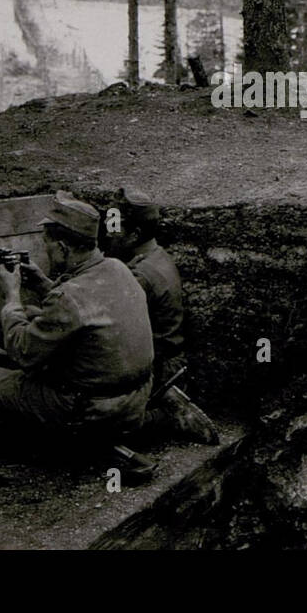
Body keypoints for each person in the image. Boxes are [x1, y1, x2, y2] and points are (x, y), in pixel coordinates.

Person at [0, 190, 154, 447]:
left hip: (89, 412)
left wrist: (11, 296)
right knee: (34, 318)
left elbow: (22, 352)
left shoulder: (68, 299)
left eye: (48, 244)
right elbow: (85, 310)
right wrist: (44, 285)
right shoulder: (117, 268)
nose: (46, 249)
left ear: (63, 248)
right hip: (132, 403)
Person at [105, 188, 219, 445]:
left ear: (134, 235)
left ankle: (163, 416)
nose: (108, 234)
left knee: (99, 422)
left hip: (157, 371)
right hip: (169, 361)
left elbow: (103, 322)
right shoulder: (155, 256)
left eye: (114, 227)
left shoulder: (140, 275)